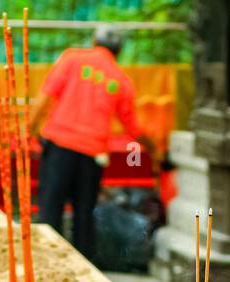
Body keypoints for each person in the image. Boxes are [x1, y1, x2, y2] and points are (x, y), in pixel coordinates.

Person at [29, 25, 153, 262]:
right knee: (84, 214)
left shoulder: (72, 60)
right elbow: (133, 127)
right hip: (92, 154)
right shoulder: (120, 79)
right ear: (119, 50)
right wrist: (154, 149)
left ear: (95, 40)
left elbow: (45, 97)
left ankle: (46, 262)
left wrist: (28, 131)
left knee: (51, 207)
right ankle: (83, 266)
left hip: (59, 145)